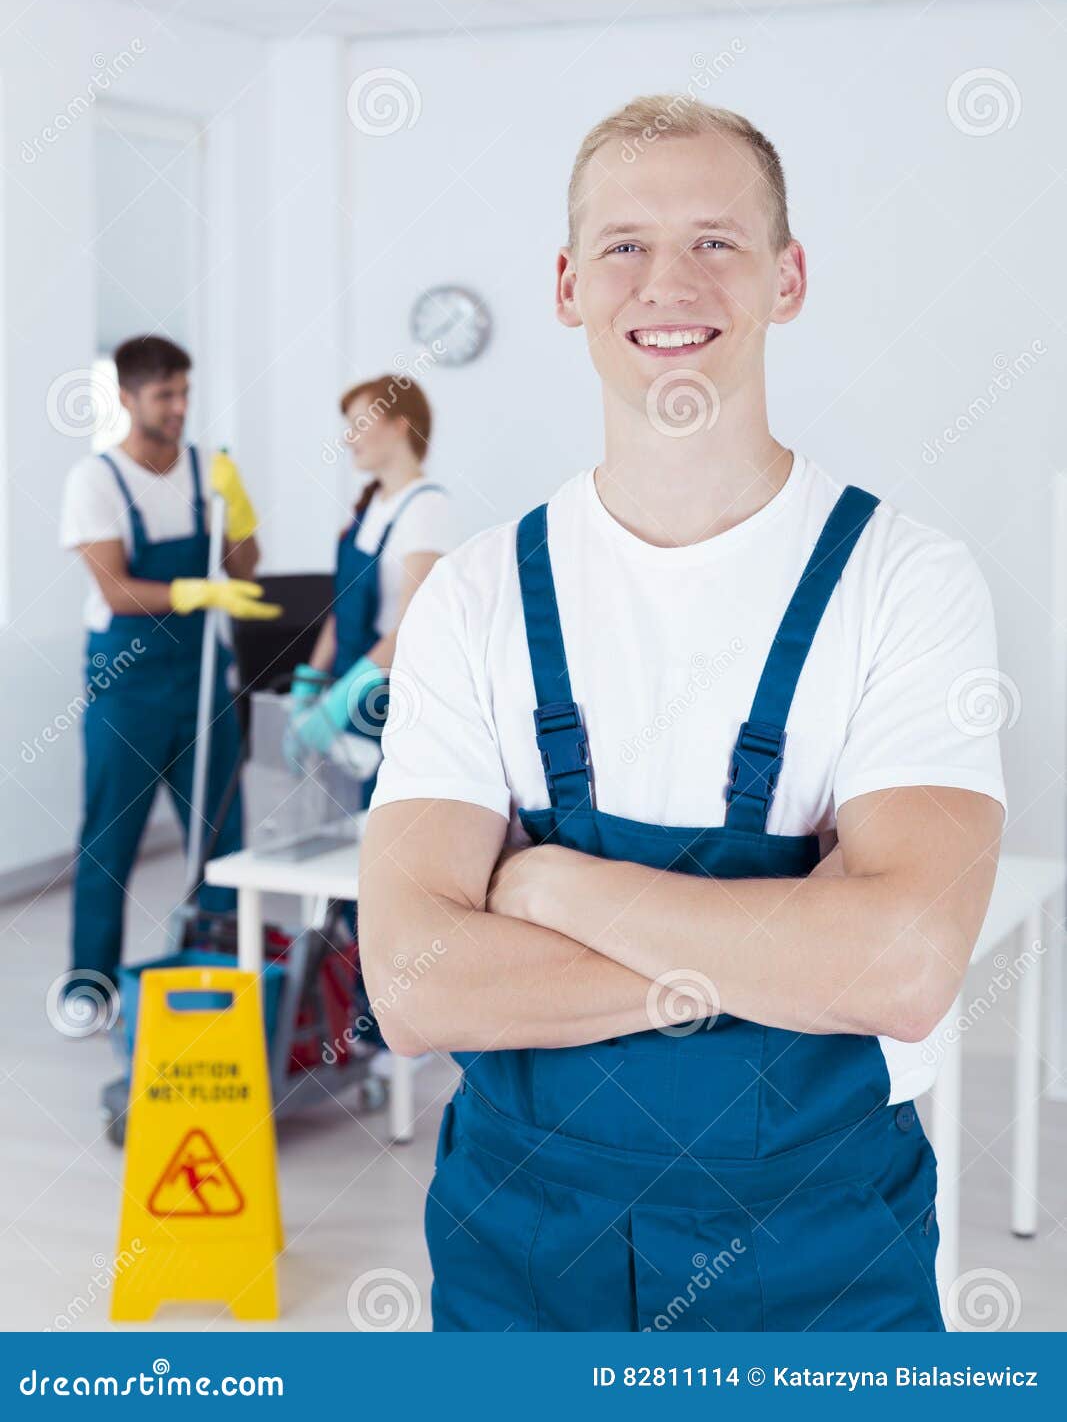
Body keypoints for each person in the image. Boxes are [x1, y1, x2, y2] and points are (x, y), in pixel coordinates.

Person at [359, 95, 1007, 1333]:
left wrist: (544, 884)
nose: (669, 281)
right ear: (564, 283)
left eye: (716, 239)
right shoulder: (480, 595)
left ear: (787, 276)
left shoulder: (902, 579)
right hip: (521, 1246)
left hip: (819, 1254)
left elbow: (903, 966)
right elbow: (416, 984)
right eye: (623, 244)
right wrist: (781, 950)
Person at [60, 335, 278, 1011]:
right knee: (109, 837)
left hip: (202, 674)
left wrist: (236, 512)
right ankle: (90, 987)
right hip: (127, 683)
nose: (180, 407)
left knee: (222, 834)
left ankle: (216, 976)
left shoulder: (204, 466)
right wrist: (193, 592)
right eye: (165, 396)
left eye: (185, 392)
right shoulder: (97, 480)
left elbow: (244, 569)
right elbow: (116, 587)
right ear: (126, 398)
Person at [285, 374, 457, 808]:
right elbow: (343, 608)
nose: (348, 438)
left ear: (399, 425)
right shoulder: (372, 507)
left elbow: (411, 627)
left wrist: (344, 698)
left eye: (360, 423)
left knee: (377, 818)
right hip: (348, 679)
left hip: (386, 694)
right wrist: (310, 682)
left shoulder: (425, 507)